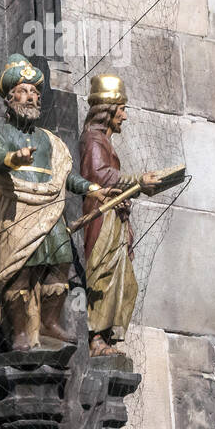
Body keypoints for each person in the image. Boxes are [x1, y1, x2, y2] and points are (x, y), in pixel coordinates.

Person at [0, 57, 117, 350]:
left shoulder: (49, 140)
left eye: (35, 93)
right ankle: (19, 332)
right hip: (18, 211)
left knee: (61, 262)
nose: (32, 97)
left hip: (50, 212)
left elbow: (66, 175)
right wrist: (15, 159)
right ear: (9, 97)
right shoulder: (2, 134)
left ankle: (50, 321)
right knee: (20, 269)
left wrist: (93, 188)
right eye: (24, 91)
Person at [80, 75, 161, 356]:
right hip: (101, 218)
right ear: (108, 109)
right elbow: (99, 175)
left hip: (116, 218)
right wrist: (138, 180)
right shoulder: (93, 140)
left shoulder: (103, 141)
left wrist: (140, 185)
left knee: (125, 281)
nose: (124, 116)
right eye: (121, 109)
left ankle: (105, 335)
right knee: (104, 275)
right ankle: (96, 338)